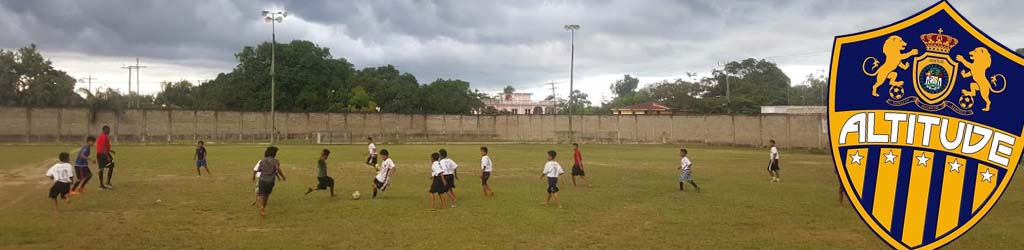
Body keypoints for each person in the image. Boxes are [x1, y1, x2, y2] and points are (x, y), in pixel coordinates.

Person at [254, 146, 285, 217]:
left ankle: (261, 207)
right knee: (267, 194)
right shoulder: (276, 161)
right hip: (270, 180)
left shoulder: (262, 161)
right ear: (274, 154)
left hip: (262, 180)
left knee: (261, 194)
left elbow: (258, 170)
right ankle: (264, 207)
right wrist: (282, 176)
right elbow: (277, 170)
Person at [96, 125, 115, 189]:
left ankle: (107, 182)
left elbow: (105, 146)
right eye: (108, 130)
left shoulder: (103, 136)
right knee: (102, 168)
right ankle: (102, 185)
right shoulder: (103, 137)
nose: (109, 131)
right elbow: (103, 147)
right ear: (104, 130)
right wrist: (107, 157)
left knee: (111, 165)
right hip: (102, 154)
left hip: (103, 154)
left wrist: (110, 150)